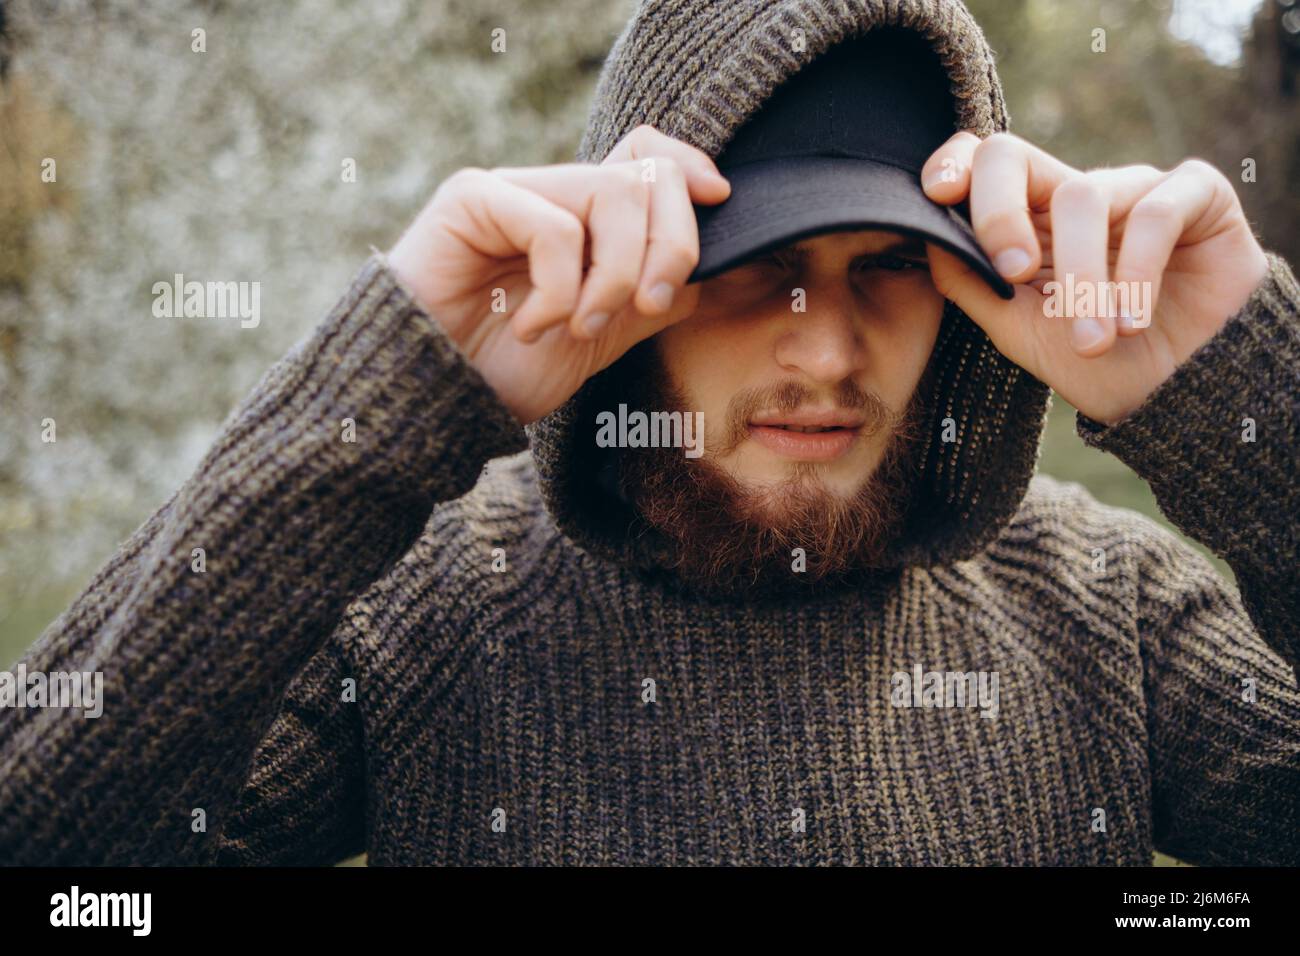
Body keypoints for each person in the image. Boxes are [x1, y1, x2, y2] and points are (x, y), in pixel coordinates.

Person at [2, 0, 1296, 866]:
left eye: (892, 264)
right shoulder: (429, 618)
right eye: (755, 264)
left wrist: (1254, 410)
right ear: (637, 282)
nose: (827, 353)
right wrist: (383, 394)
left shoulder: (1109, 607)